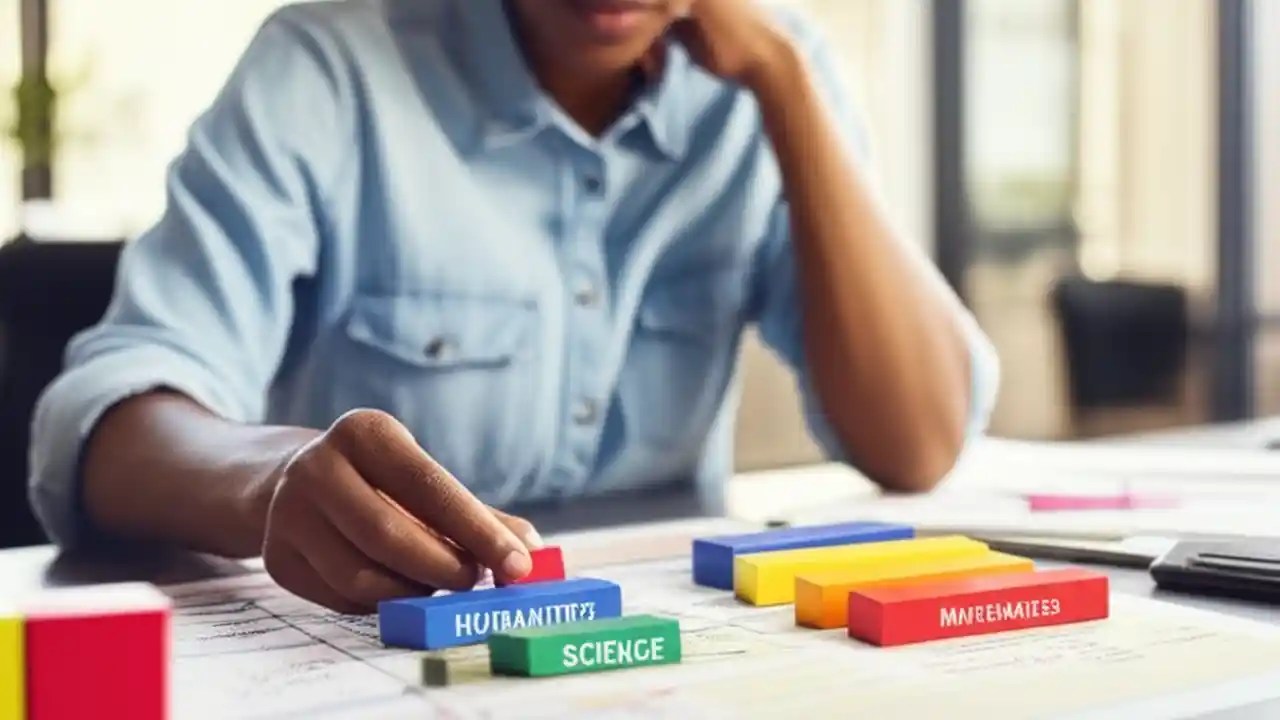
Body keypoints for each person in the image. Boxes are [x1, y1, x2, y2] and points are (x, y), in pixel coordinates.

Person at [29, 0, 999, 613]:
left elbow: (915, 443)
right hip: (380, 653)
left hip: (667, 650)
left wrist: (785, 87)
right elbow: (104, 429)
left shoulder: (776, 69)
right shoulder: (324, 65)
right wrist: (269, 479)